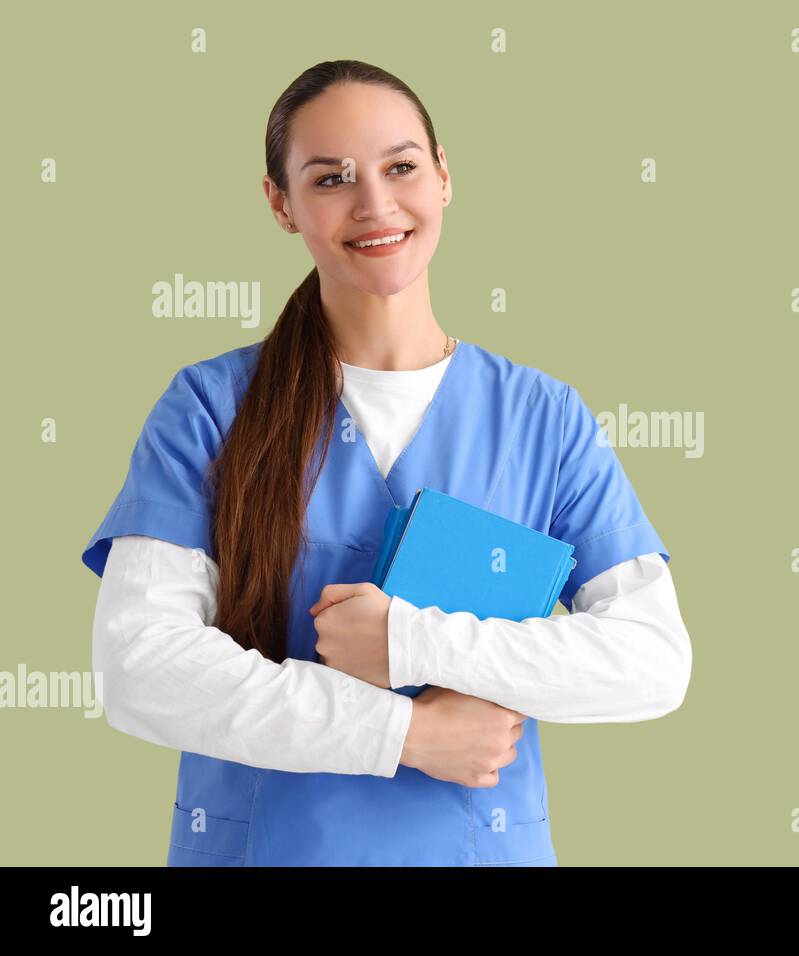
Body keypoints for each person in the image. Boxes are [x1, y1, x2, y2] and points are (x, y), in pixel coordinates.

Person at [80, 60, 691, 866]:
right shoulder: (209, 409)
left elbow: (651, 662)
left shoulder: (545, 419)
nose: (375, 204)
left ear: (443, 177)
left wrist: (411, 642)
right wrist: (403, 732)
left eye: (401, 167)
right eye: (330, 178)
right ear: (280, 203)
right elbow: (140, 667)